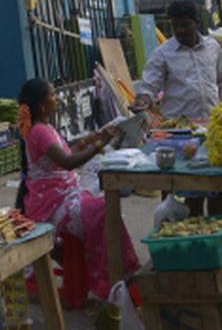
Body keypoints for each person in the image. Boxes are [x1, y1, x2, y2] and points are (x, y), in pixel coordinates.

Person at [19, 78, 140, 299]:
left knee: (102, 207)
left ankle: (120, 272)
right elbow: (68, 162)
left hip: (61, 191)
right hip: (52, 202)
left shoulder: (45, 128)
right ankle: (113, 276)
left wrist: (87, 141)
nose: (57, 99)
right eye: (53, 95)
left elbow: (65, 155)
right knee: (102, 212)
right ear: (41, 105)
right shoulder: (39, 132)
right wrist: (99, 145)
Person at [136, 0, 222, 216]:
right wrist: (143, 100)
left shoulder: (213, 48)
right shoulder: (163, 53)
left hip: (212, 131)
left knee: (216, 192)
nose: (180, 31)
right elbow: (149, 86)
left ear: (196, 23)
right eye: (175, 26)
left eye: (185, 25)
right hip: (178, 136)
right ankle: (186, 241)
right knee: (183, 195)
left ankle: (218, 243)